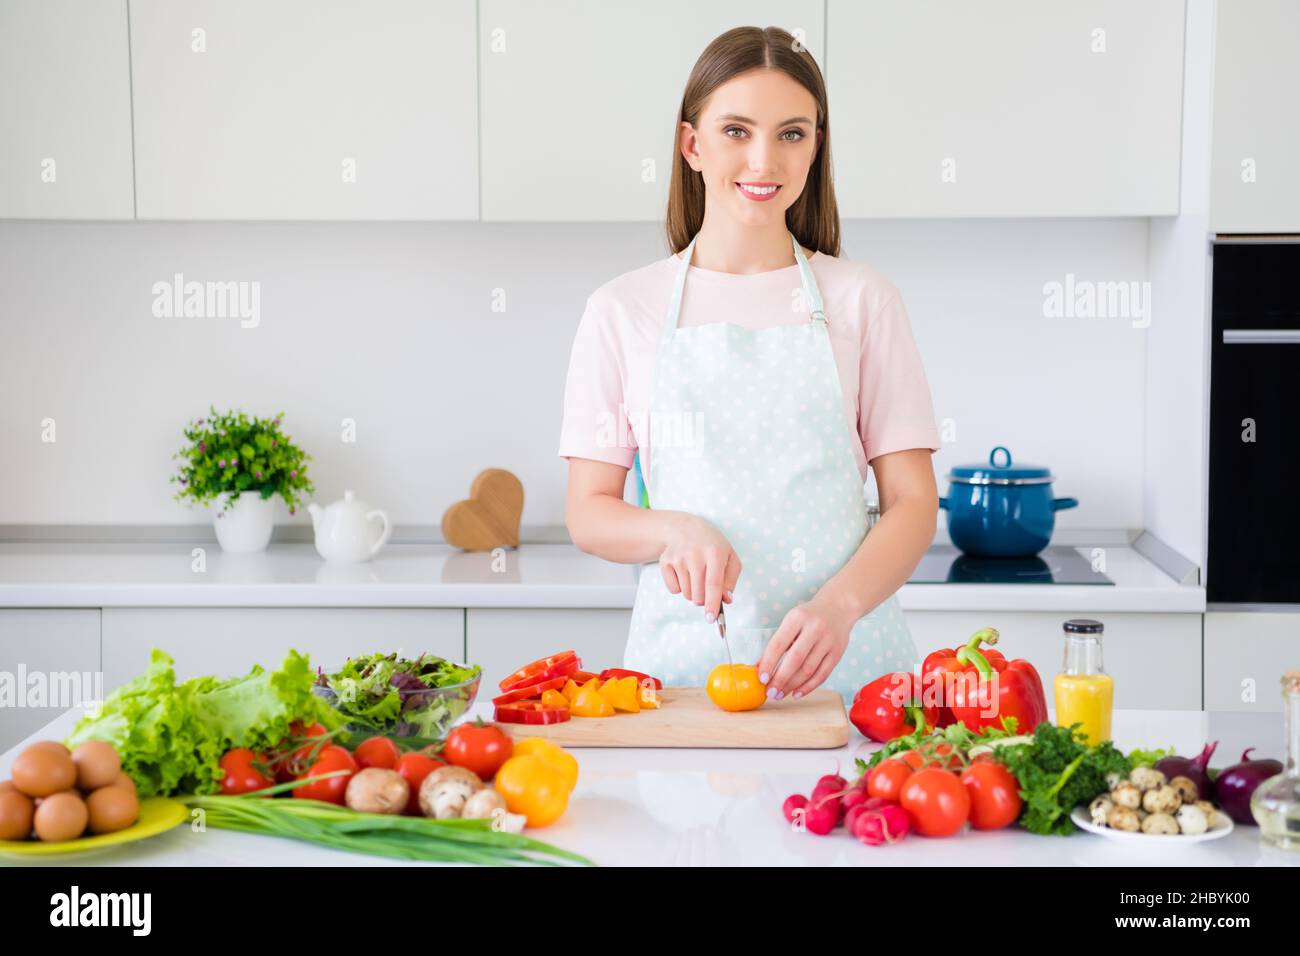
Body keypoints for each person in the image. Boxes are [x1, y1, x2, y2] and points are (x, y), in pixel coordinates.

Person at [559, 26, 941, 705]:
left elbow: (912, 503)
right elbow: (589, 512)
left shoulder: (863, 300)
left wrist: (841, 607)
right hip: (685, 674)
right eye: (737, 130)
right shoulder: (622, 309)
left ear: (816, 146)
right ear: (692, 145)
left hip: (849, 676)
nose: (764, 160)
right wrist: (675, 528)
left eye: (791, 134)